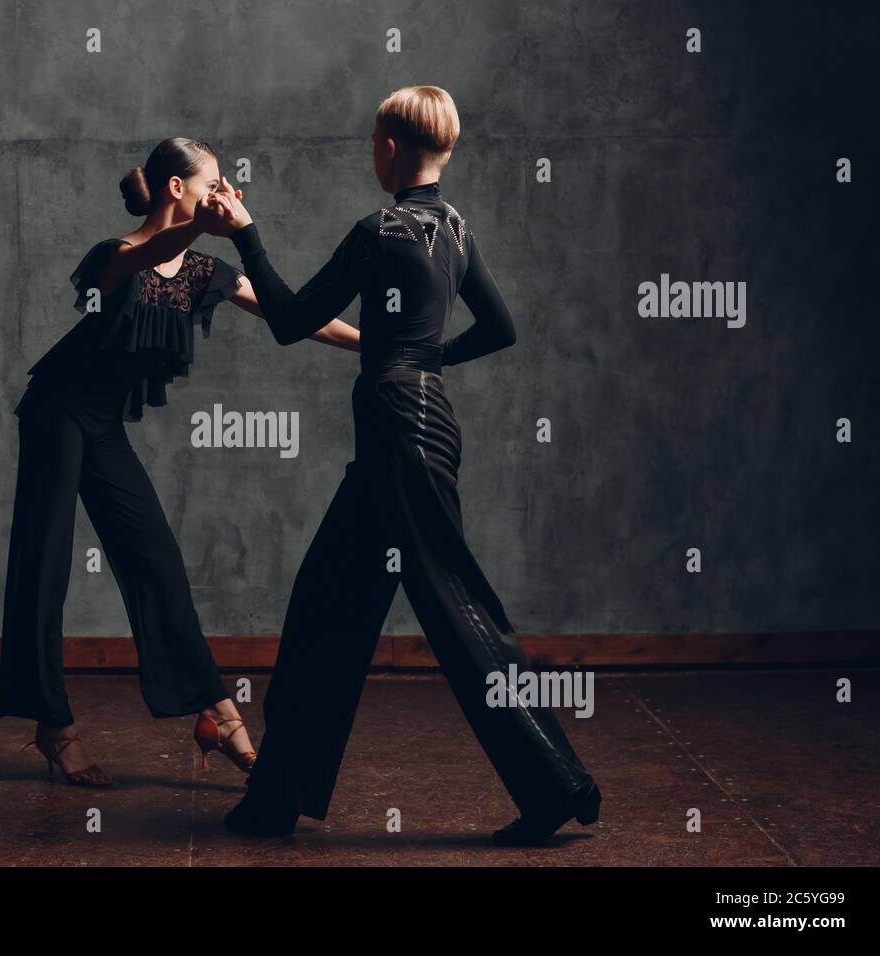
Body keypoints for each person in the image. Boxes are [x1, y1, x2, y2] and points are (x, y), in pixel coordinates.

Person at [196, 87, 601, 844]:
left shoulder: (380, 228)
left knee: (457, 608)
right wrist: (421, 360)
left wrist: (246, 233)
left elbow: (290, 321)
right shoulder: (456, 227)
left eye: (372, 141)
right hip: (425, 422)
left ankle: (558, 786)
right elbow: (501, 328)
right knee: (326, 606)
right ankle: (274, 799)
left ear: (388, 146)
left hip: (393, 428)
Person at [0, 137, 360, 785]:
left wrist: (380, 346)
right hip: (56, 412)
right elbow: (150, 256)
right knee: (43, 567)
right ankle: (54, 725)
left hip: (102, 426)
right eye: (213, 183)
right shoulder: (119, 254)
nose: (226, 193)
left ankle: (217, 713)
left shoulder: (205, 273)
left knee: (156, 563)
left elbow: (297, 317)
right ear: (175, 189)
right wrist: (202, 226)